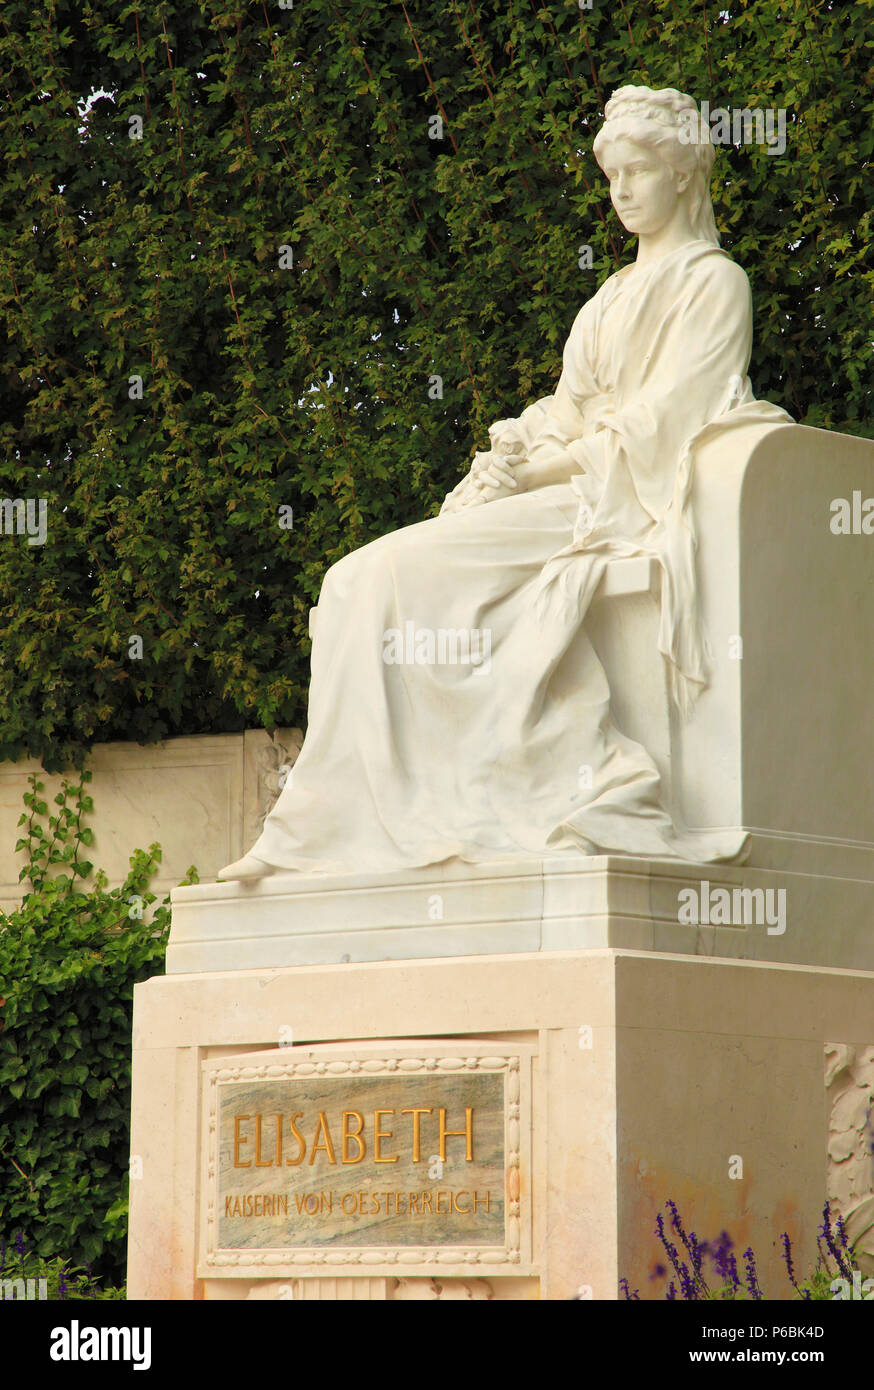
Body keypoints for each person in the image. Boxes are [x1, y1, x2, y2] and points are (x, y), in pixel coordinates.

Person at [218, 84, 791, 881]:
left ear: (684, 174)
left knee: (382, 577)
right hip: (566, 490)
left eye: (638, 171)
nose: (622, 191)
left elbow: (665, 419)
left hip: (621, 502)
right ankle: (335, 830)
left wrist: (539, 467)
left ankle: (359, 828)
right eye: (612, 176)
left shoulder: (714, 284)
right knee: (352, 581)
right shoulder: (609, 297)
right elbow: (568, 409)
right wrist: (511, 450)